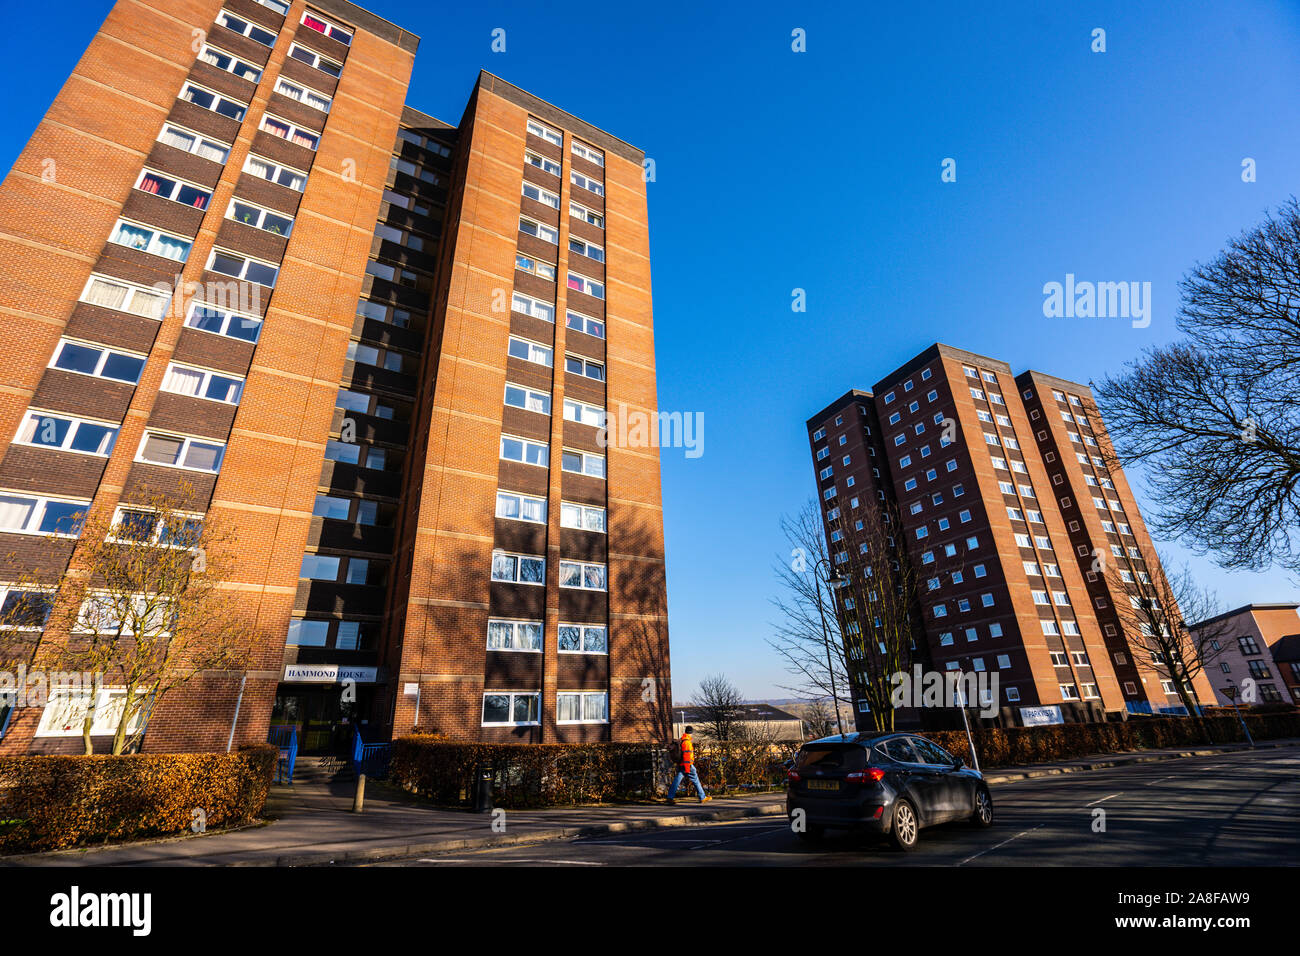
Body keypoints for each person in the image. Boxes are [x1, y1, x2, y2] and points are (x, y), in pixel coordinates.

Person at [666, 725, 711, 804]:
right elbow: (687, 756)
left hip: (681, 764)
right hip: (687, 765)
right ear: (691, 733)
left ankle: (670, 797)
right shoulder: (687, 742)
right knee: (696, 780)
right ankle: (702, 797)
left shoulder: (682, 740)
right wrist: (687, 768)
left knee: (676, 781)